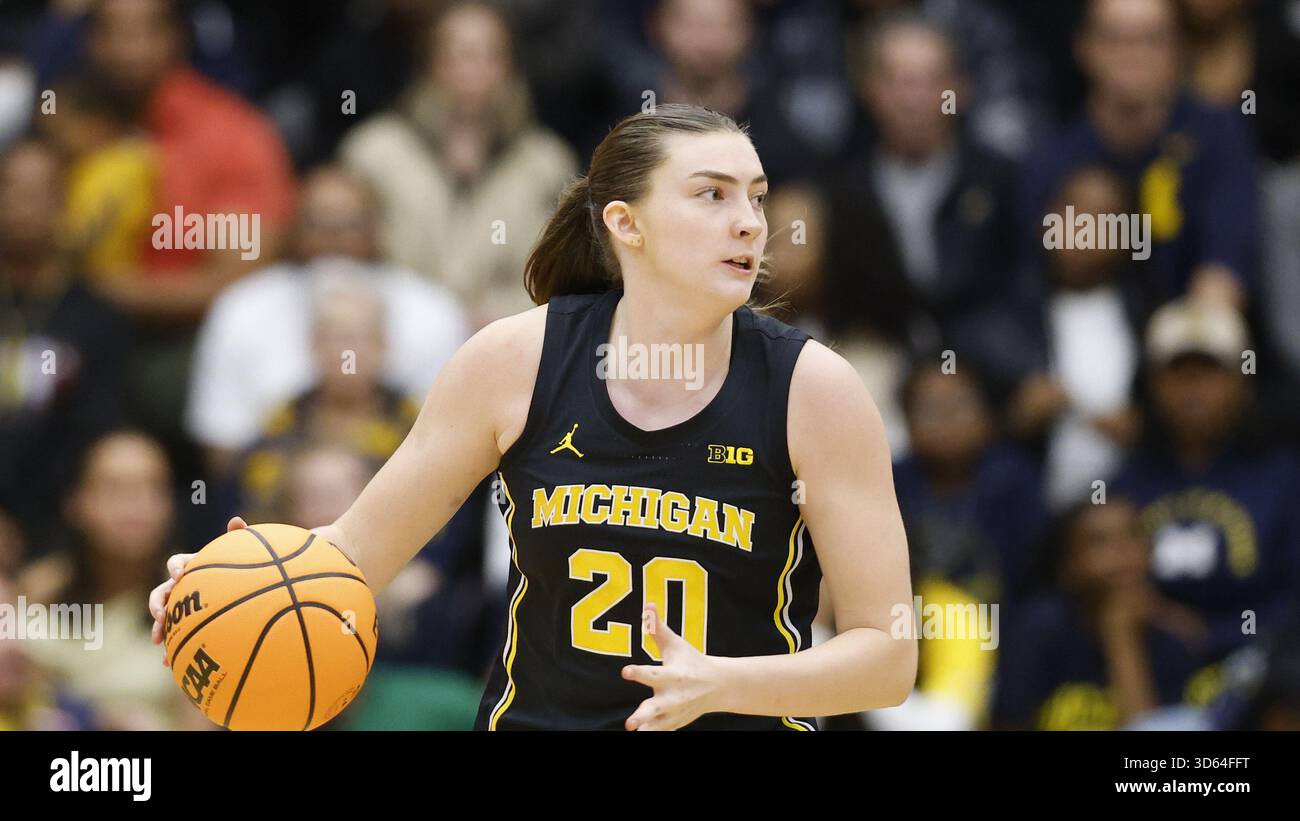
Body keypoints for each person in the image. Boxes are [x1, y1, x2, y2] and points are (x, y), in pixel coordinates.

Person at [150, 103, 916, 730]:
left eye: (756, 196)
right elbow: (352, 554)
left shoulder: (815, 389)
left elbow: (887, 656)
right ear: (626, 223)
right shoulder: (515, 360)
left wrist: (722, 683)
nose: (749, 221)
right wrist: (219, 587)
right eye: (713, 194)